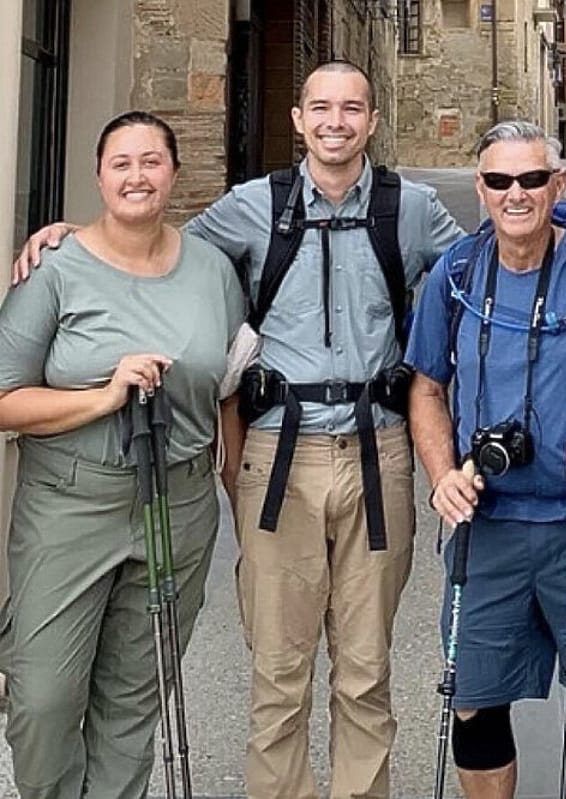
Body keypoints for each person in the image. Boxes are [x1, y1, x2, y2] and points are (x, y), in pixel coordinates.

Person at [10, 61, 465, 799]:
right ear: (298, 119)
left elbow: (482, 264)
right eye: (321, 107)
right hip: (280, 451)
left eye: (352, 108)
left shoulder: (407, 209)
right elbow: (155, 241)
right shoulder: (254, 207)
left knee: (366, 667)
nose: (336, 122)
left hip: (378, 449)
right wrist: (69, 233)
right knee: (279, 671)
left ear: (373, 120)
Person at [0, 111, 243, 799]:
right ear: (99, 175)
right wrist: (103, 398)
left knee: (132, 701)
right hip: (71, 504)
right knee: (44, 694)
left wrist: (242, 505)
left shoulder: (213, 271)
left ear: (173, 172)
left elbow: (226, 394)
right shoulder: (54, 270)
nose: (137, 175)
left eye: (151, 161)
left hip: (180, 503)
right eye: (121, 163)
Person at [407, 120, 566, 799]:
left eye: (533, 178)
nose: (516, 193)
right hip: (488, 520)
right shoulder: (453, 276)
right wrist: (442, 475)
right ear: (480, 189)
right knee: (473, 694)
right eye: (499, 180)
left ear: (559, 184)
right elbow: (426, 386)